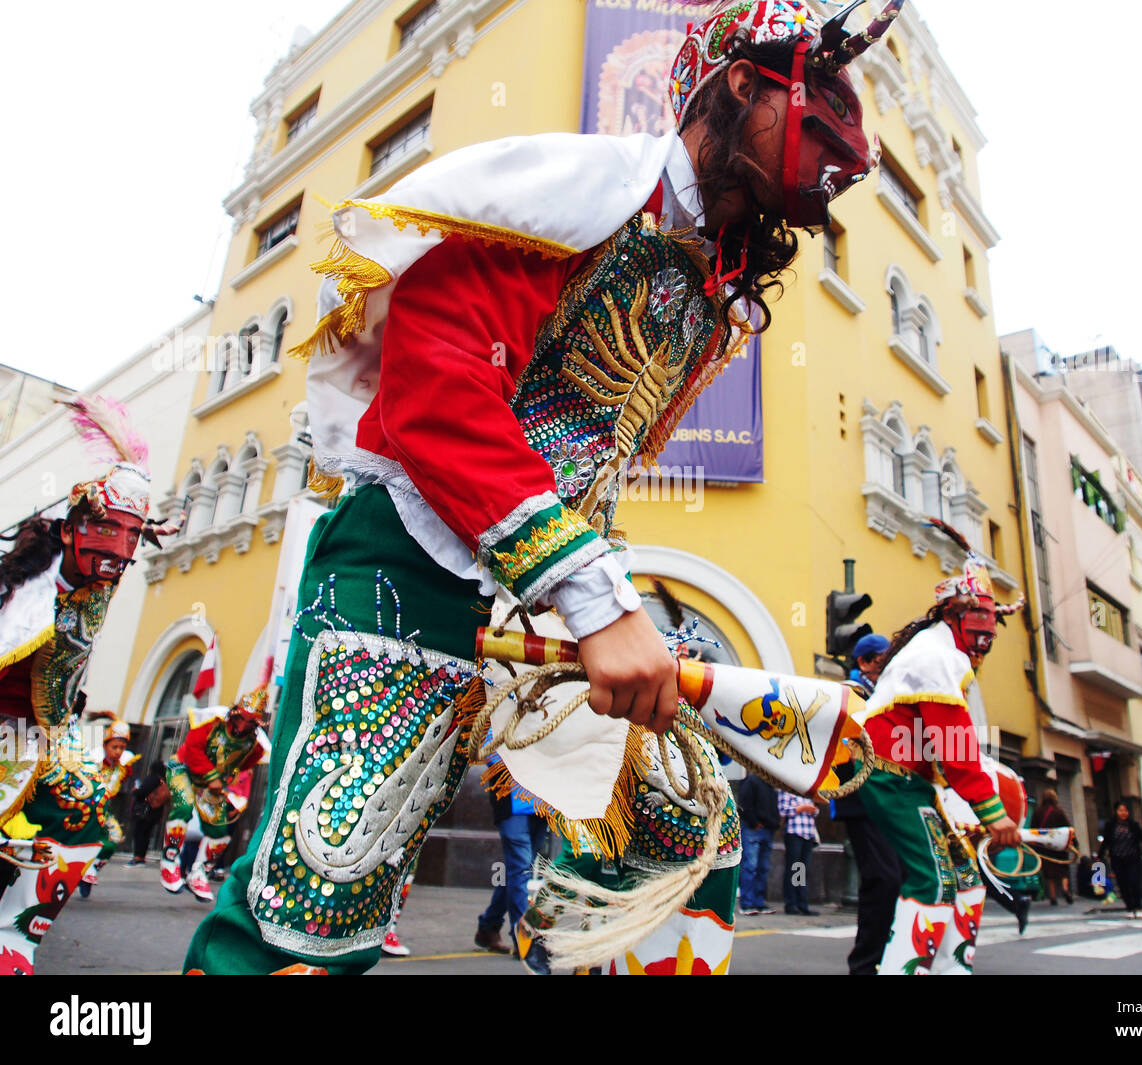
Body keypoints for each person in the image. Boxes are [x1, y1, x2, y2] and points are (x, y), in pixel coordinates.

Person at [183, 0, 905, 976]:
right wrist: (598, 598)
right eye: (821, 102)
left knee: (680, 834)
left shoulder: (710, 290)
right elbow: (435, 387)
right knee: (323, 889)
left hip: (542, 603)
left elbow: (583, 457)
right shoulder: (575, 191)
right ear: (741, 82)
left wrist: (602, 602)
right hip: (409, 563)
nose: (849, 150)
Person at [0, 396, 179, 973]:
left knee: (84, 811)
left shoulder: (102, 581)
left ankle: (15, 938)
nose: (119, 549)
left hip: (48, 735)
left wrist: (146, 528)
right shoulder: (22, 590)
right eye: (107, 529)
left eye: (132, 535)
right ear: (72, 526)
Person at [850, 521, 1025, 975]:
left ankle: (951, 970)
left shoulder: (940, 651)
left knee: (965, 877)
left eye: (993, 617)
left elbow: (947, 746)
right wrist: (994, 814)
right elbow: (953, 742)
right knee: (933, 879)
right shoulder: (935, 656)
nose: (988, 627)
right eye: (979, 615)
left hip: (910, 781)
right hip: (891, 777)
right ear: (952, 614)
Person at [161, 679, 271, 902]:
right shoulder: (213, 723)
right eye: (241, 718)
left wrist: (226, 776)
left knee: (220, 830)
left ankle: (199, 872)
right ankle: (170, 860)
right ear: (235, 713)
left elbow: (245, 765)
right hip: (184, 769)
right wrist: (211, 774)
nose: (243, 726)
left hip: (211, 784)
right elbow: (192, 747)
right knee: (183, 807)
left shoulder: (256, 745)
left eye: (251, 722)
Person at [830, 631, 900, 973]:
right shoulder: (850, 692)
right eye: (883, 659)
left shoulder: (884, 693)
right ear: (864, 662)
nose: (888, 665)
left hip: (888, 799)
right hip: (861, 798)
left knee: (895, 877)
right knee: (882, 878)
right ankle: (865, 965)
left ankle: (885, 956)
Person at [473, 777, 550, 957]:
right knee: (521, 868)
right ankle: (524, 939)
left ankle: (488, 927)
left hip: (541, 800)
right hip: (511, 797)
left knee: (518, 871)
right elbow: (488, 752)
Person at [78, 715, 139, 898]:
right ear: (105, 745)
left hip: (105, 810)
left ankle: (91, 869)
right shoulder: (91, 762)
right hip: (84, 809)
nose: (118, 751)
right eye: (114, 747)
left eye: (122, 747)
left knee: (114, 838)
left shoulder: (123, 766)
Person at [1099, 801, 1142, 919]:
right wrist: (1099, 856)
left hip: (1132, 859)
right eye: (1120, 810)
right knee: (1123, 885)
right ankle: (1129, 907)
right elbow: (1105, 842)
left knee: (1134, 882)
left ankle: (1138, 907)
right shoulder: (1110, 826)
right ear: (1116, 812)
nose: (1123, 813)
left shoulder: (1133, 825)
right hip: (1117, 859)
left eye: (1125, 811)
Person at [734, 772, 780, 916]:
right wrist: (754, 822)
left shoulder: (769, 784)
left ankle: (758, 902)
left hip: (764, 828)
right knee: (751, 866)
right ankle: (748, 903)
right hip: (755, 828)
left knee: (762, 867)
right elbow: (744, 805)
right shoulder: (753, 781)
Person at [777, 789, 819, 915]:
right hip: (794, 832)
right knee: (794, 868)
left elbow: (816, 810)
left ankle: (802, 902)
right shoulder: (785, 790)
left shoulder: (807, 791)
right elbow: (782, 810)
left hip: (808, 833)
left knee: (802, 869)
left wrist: (814, 810)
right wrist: (801, 808)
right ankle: (791, 903)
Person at [1031, 788, 1073, 905]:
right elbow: (1067, 827)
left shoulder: (1038, 811)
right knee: (1063, 869)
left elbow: (1033, 828)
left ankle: (1053, 896)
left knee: (1049, 872)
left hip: (1045, 846)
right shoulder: (1058, 811)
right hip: (1059, 845)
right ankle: (1065, 889)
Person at [127, 760, 168, 866]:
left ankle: (138, 857)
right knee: (146, 834)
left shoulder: (152, 778)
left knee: (140, 833)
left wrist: (135, 790)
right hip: (155, 811)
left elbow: (142, 792)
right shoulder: (163, 780)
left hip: (146, 811)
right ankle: (142, 857)